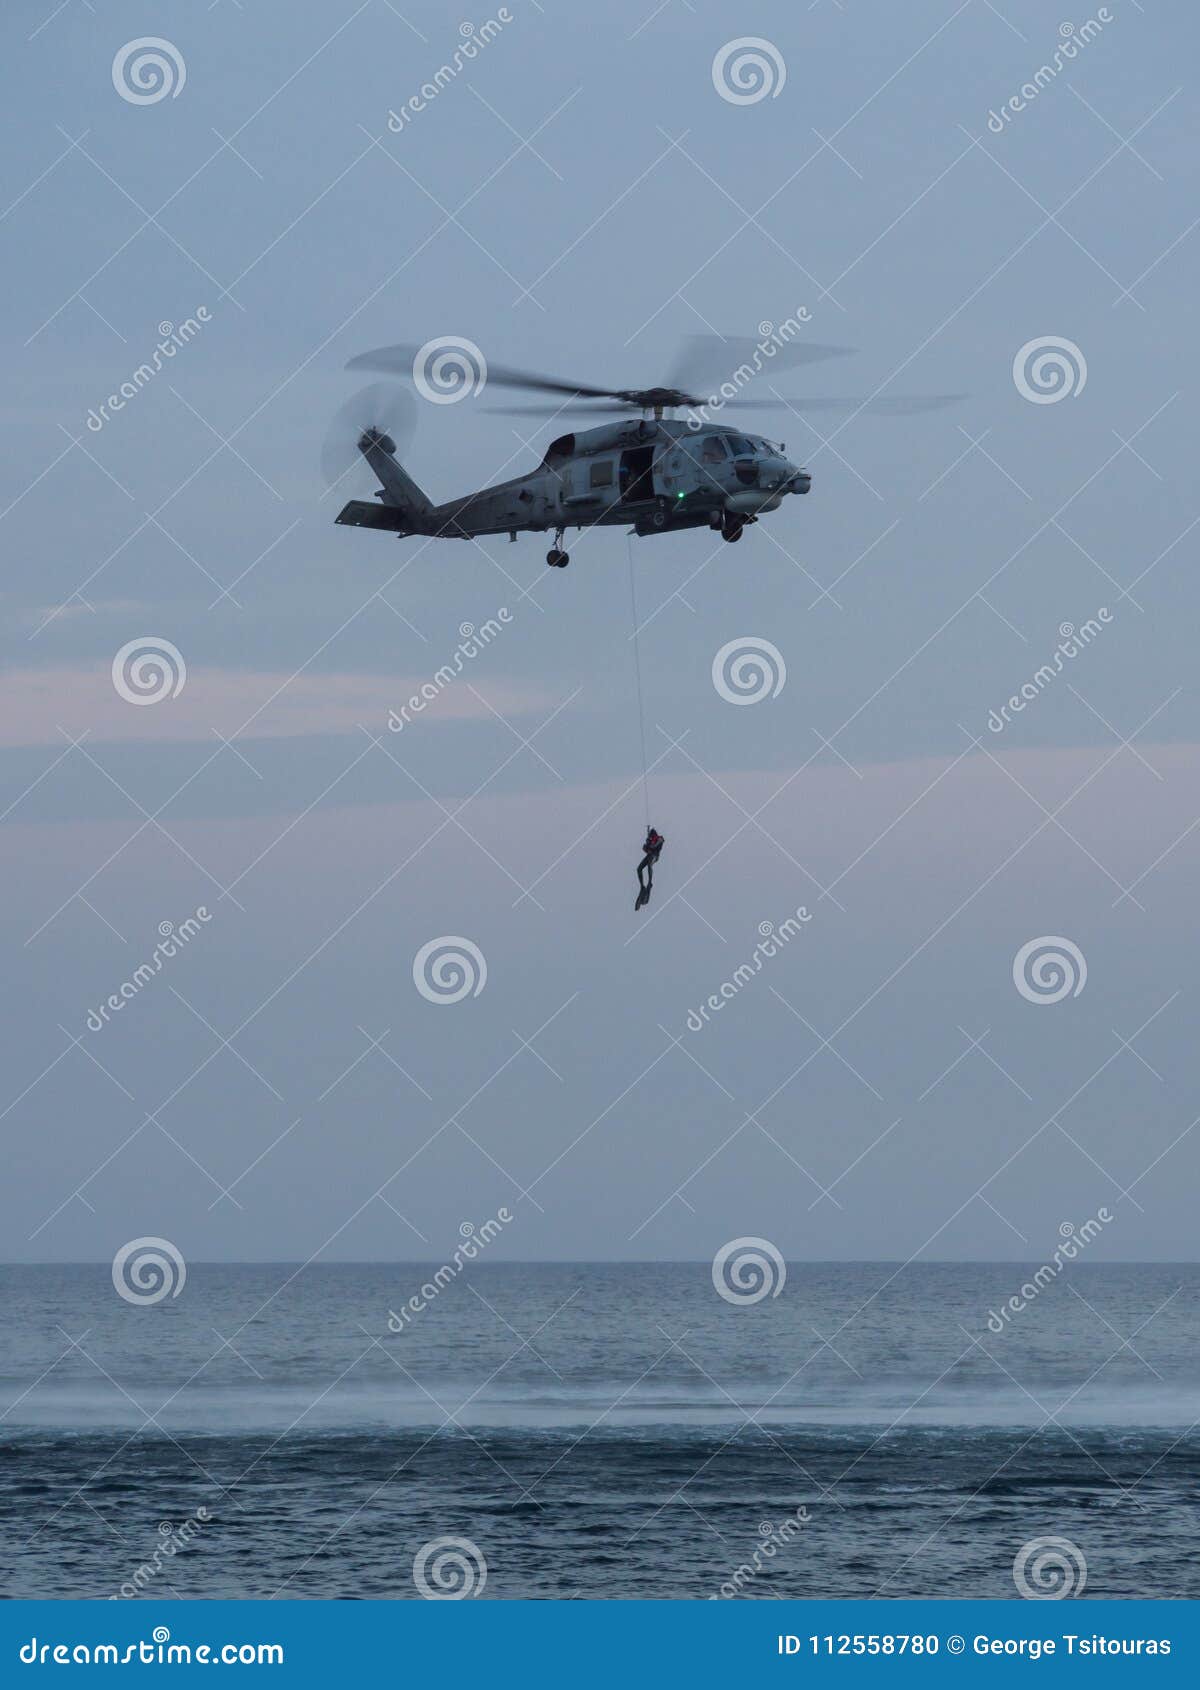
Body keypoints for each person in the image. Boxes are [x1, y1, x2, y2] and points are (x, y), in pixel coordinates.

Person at [635, 826, 664, 911]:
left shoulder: (660, 839)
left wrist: (648, 844)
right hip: (649, 855)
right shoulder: (651, 840)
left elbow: (654, 846)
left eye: (651, 835)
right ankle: (642, 886)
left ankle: (649, 882)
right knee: (639, 869)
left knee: (649, 865)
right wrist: (646, 845)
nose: (651, 837)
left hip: (655, 856)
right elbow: (646, 849)